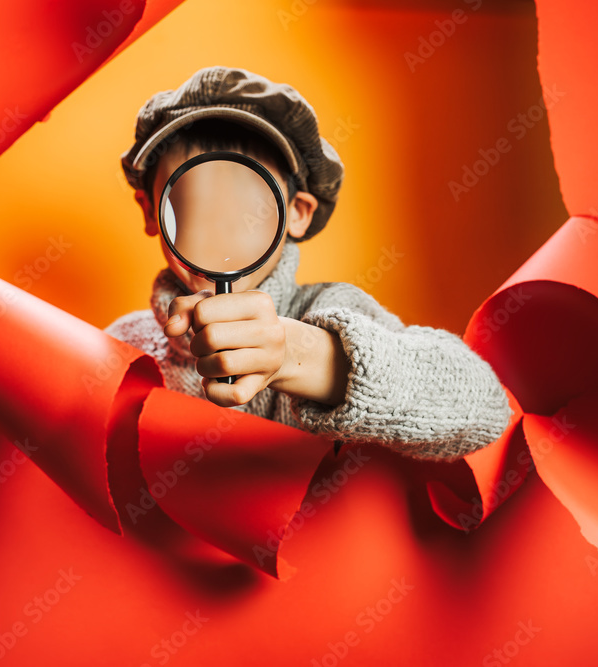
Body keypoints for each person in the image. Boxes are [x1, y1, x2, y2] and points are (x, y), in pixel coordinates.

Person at [107, 65, 512, 462]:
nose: (217, 233)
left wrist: (309, 357)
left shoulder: (336, 313)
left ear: (296, 213)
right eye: (188, 206)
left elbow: (485, 409)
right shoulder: (125, 345)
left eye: (245, 208)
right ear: (150, 212)